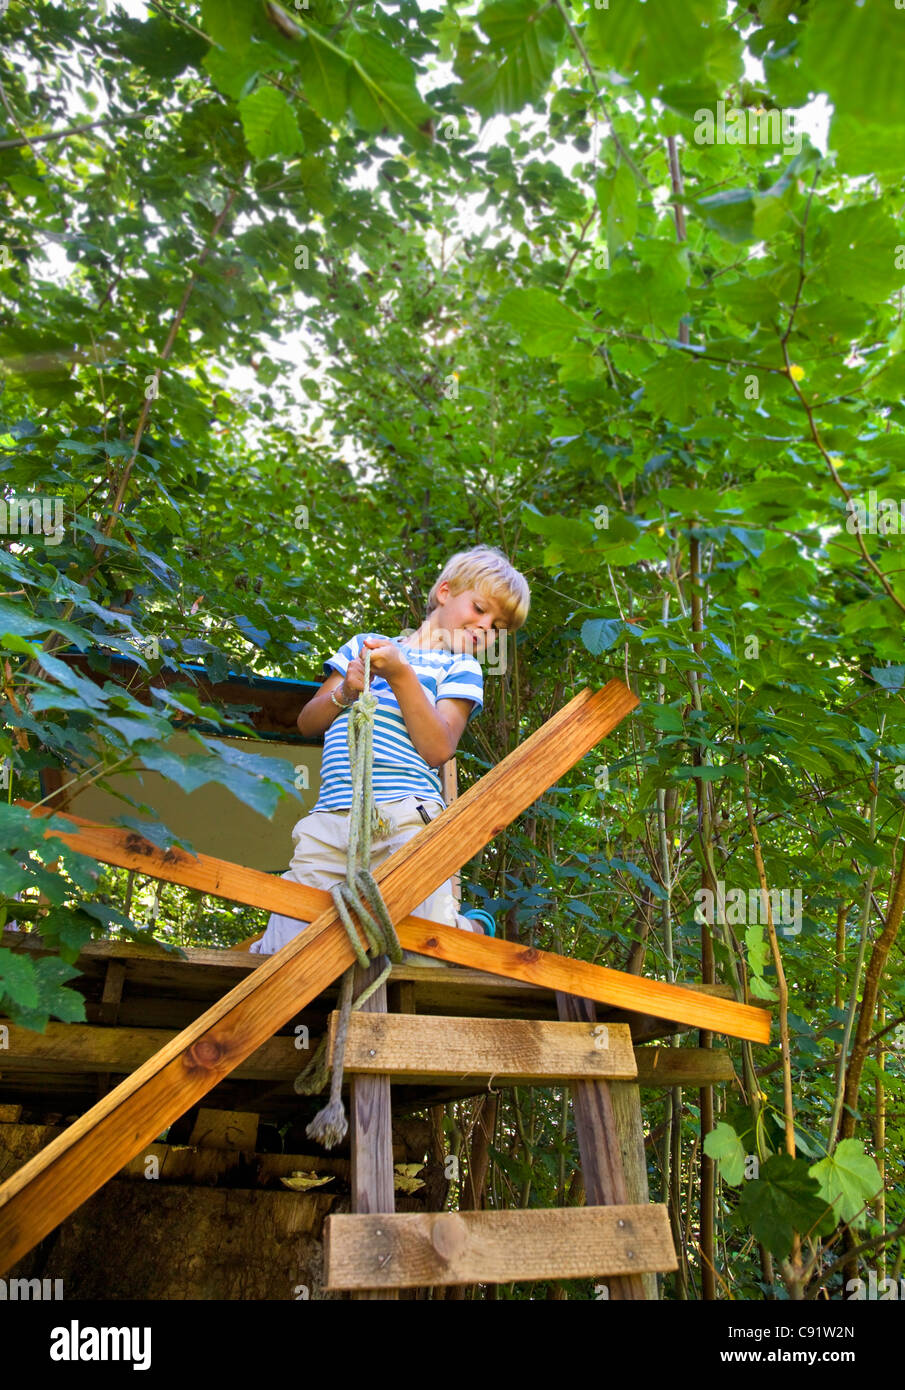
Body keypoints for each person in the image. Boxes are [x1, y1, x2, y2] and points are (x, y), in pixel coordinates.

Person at [249, 545, 531, 960]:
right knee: (283, 947)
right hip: (333, 816)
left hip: (405, 816)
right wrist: (346, 690)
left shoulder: (461, 669)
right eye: (479, 608)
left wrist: (401, 675)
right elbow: (309, 722)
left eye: (497, 626)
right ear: (445, 591)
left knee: (423, 944)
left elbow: (438, 748)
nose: (485, 627)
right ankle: (452, 922)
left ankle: (463, 925)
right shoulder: (364, 646)